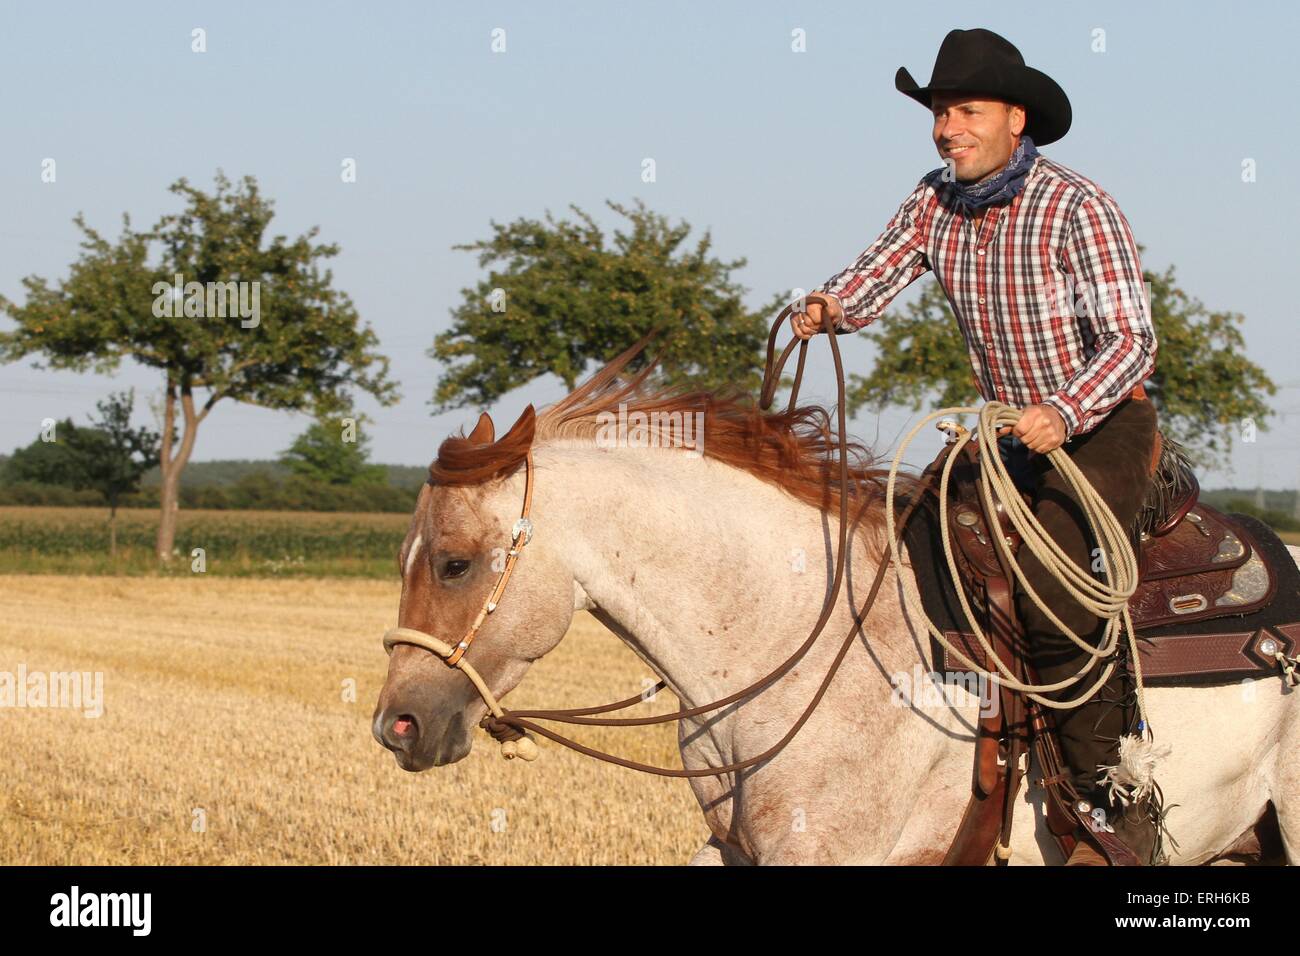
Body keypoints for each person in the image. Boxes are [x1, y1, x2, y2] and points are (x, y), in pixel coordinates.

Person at [790, 28, 1163, 864]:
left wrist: (1065, 412)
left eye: (966, 110)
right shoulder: (933, 200)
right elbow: (874, 274)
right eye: (939, 111)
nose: (947, 127)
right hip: (1002, 431)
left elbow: (1131, 341)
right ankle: (954, 746)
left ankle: (1111, 792)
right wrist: (827, 307)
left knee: (1050, 580)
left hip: (1100, 423)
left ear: (1013, 118)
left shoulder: (1078, 207)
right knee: (906, 543)